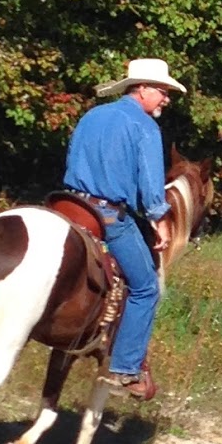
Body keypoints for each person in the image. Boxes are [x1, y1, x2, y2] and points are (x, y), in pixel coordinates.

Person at [63, 57, 187, 399]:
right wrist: (160, 221)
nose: (166, 99)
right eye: (163, 92)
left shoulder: (92, 115)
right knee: (147, 288)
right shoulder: (145, 127)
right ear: (143, 89)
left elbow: (72, 161)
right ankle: (125, 369)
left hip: (70, 205)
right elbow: (150, 190)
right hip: (105, 214)